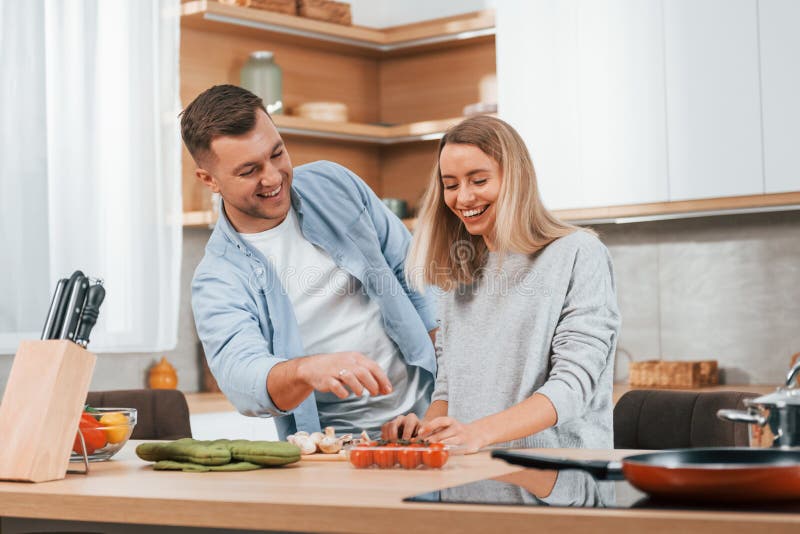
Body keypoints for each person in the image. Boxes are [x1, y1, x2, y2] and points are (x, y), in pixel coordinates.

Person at [182, 85, 437, 439]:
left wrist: (449, 396)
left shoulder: (335, 185)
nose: (272, 177)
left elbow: (414, 275)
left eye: (277, 153)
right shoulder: (218, 278)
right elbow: (241, 377)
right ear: (209, 179)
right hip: (340, 443)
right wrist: (306, 370)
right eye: (248, 171)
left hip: (432, 412)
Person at [382, 115, 620, 452]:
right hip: (470, 476)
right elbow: (450, 391)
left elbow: (572, 387)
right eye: (450, 185)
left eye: (478, 180)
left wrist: (478, 433)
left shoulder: (578, 254)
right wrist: (428, 427)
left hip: (559, 480)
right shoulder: (459, 269)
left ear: (516, 179)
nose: (463, 198)